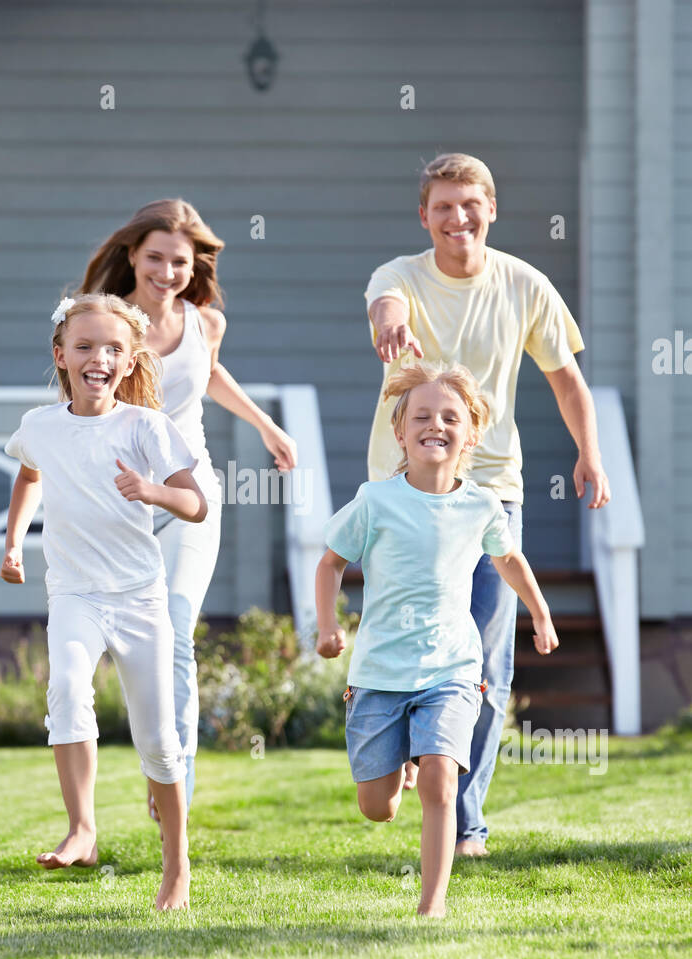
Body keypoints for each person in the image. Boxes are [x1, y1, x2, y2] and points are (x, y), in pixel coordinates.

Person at [364, 152, 610, 856]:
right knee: (408, 641)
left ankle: (464, 821)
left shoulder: (525, 286)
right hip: (404, 490)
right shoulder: (399, 277)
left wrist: (589, 453)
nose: (457, 218)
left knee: (484, 657)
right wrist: (389, 326)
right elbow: (387, 306)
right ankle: (411, 754)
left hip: (492, 487)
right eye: (442, 206)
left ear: (491, 209)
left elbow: (568, 381)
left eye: (469, 204)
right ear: (424, 216)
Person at [79, 199, 297, 828]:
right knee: (128, 644)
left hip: (190, 496)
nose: (167, 272)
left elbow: (208, 375)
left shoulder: (207, 324)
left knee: (175, 632)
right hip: (120, 499)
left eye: (179, 261)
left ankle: (175, 781)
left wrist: (264, 425)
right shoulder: (107, 325)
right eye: (155, 259)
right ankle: (146, 766)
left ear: (192, 265)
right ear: (132, 257)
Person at [316, 361, 558, 917]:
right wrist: (329, 626)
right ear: (399, 433)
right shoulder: (375, 502)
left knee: (442, 784)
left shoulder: (481, 505)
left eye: (450, 417)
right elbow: (330, 563)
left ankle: (433, 905)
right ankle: (396, 763)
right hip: (379, 673)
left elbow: (510, 559)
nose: (436, 425)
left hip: (451, 669)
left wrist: (540, 615)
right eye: (422, 416)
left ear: (471, 433)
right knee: (376, 808)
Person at [0, 293, 207, 911]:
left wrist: (152, 492)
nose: (98, 358)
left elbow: (197, 503)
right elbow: (30, 473)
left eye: (112, 349)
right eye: (84, 347)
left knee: (160, 742)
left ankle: (177, 867)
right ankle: (83, 830)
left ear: (129, 358)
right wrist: (13, 543)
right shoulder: (39, 424)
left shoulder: (145, 427)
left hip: (140, 599)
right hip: (74, 592)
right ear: (61, 356)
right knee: (65, 685)